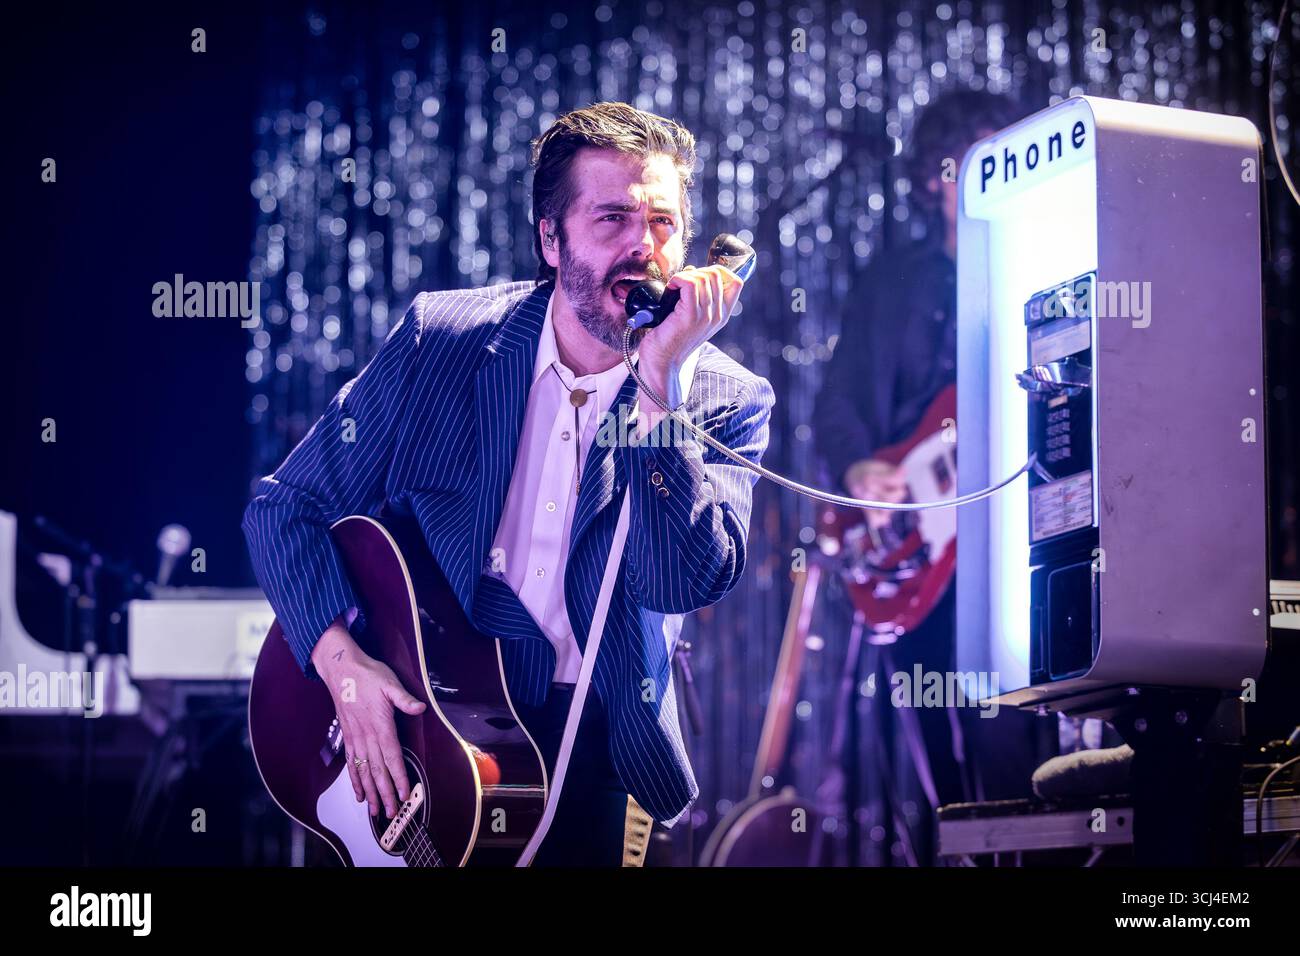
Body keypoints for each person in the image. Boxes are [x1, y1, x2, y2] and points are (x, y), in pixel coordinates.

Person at [243, 101, 775, 866]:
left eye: (662, 223)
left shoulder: (723, 397)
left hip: (590, 753)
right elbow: (283, 509)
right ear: (550, 239)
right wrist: (343, 668)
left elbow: (677, 579)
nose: (645, 249)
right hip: (421, 725)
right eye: (613, 220)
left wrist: (661, 388)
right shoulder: (444, 342)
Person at [813, 90, 1033, 864]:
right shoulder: (892, 282)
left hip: (1012, 536)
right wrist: (861, 466)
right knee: (931, 751)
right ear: (932, 177)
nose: (975, 173)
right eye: (961, 158)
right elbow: (837, 401)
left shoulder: (1039, 267)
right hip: (912, 541)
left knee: (1011, 732)